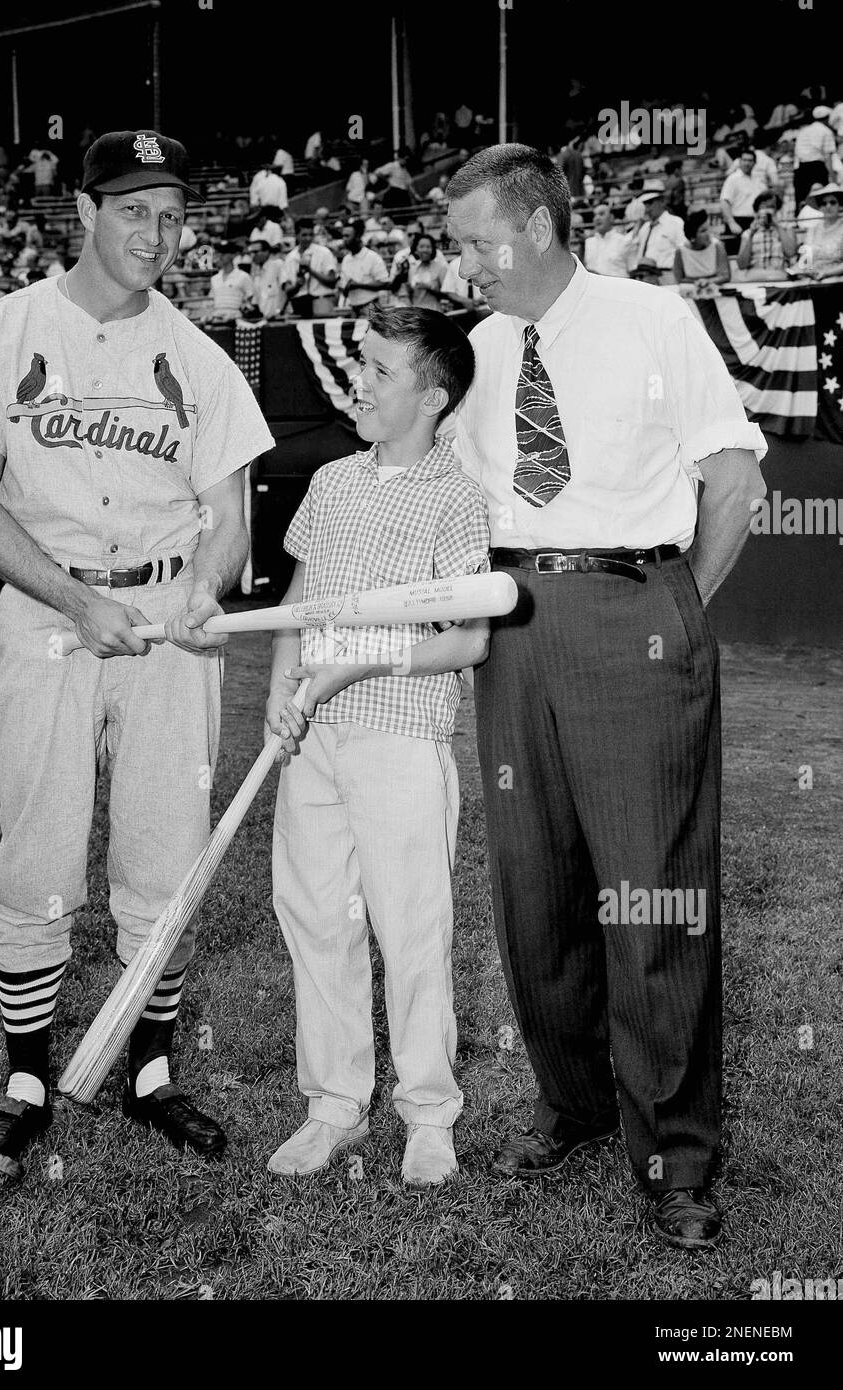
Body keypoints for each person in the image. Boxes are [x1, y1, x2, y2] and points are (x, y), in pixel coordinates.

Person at [0, 129, 274, 1165]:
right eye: (132, 210)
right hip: (48, 626)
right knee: (38, 847)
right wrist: (74, 599)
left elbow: (229, 517)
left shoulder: (200, 359)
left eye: (170, 215)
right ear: (82, 209)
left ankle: (153, 1069)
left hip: (168, 627)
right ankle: (26, 1075)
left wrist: (203, 591)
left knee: (167, 851)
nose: (157, 234)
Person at [446, 143, 766, 1251]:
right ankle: (575, 1105)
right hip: (508, 628)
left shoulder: (653, 322)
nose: (465, 267)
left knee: (652, 896)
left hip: (632, 610)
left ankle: (677, 1150)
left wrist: (676, 612)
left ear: (536, 226)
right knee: (534, 893)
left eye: (477, 242)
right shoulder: (477, 352)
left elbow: (735, 480)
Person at [265, 304, 491, 1185]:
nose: (358, 380)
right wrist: (285, 689)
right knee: (317, 919)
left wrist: (350, 670)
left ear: (432, 397)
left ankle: (428, 1115)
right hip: (313, 737)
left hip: (401, 738)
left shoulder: (456, 497)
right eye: (359, 362)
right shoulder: (331, 481)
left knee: (412, 925)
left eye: (379, 370)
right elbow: (300, 603)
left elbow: (469, 638)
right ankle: (333, 1106)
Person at [628, 183, 685, 283]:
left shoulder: (675, 223)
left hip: (666, 275)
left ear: (662, 201)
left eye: (650, 203)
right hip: (644, 277)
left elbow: (683, 251)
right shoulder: (645, 228)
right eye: (645, 204)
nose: (647, 208)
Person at [283, 219, 338, 318]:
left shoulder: (324, 252)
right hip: (299, 303)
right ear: (296, 235)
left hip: (321, 301)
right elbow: (288, 290)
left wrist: (310, 270)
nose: (308, 238)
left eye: (311, 235)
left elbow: (332, 282)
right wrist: (298, 285)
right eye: (304, 235)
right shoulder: (290, 257)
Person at [734, 192, 797, 280]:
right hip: (754, 277)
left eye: (771, 207)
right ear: (757, 211)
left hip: (779, 276)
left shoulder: (787, 228)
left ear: (776, 210)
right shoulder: (748, 233)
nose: (767, 210)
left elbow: (791, 253)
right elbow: (741, 265)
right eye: (763, 206)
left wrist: (777, 226)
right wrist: (752, 234)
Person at [338, 220, 389, 316]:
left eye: (347, 236)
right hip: (353, 309)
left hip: (370, 308)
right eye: (343, 236)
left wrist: (358, 285)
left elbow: (384, 283)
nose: (344, 239)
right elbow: (345, 291)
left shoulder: (372, 256)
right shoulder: (346, 259)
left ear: (357, 237)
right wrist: (345, 287)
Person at [673, 209, 731, 293]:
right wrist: (697, 282)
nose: (708, 233)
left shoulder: (718, 246)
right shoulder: (680, 250)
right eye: (703, 231)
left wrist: (708, 282)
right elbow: (679, 278)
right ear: (693, 238)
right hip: (690, 292)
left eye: (708, 229)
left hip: (714, 290)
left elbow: (725, 276)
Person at [792, 107, 837, 205]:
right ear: (827, 118)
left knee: (801, 200)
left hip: (800, 169)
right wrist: (833, 180)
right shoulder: (826, 131)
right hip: (817, 168)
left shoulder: (804, 130)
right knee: (821, 200)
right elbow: (828, 157)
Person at [720, 150, 769, 239]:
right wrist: (731, 223)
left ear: (754, 163)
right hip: (737, 222)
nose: (747, 163)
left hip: (755, 222)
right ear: (740, 161)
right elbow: (724, 202)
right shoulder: (732, 179)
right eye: (744, 160)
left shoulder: (758, 180)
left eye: (750, 161)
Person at [802, 183, 843, 280]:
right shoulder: (813, 229)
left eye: (832, 202)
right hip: (813, 278)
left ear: (840, 205)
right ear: (820, 207)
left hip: (838, 279)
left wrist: (826, 273)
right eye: (823, 203)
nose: (828, 206)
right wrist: (808, 270)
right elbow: (805, 259)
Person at [209, 240, 255, 319]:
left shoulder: (243, 276)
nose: (220, 256)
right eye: (218, 253)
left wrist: (240, 313)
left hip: (236, 319)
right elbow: (212, 301)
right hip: (217, 317)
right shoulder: (214, 278)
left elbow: (251, 300)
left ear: (232, 255)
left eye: (223, 253)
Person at [583, 203, 630, 278]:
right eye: (595, 215)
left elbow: (631, 270)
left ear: (611, 217)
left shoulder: (623, 241)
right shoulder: (588, 243)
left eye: (601, 214)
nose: (597, 218)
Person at [249, 239, 287, 319]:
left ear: (266, 252)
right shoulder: (256, 275)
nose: (253, 255)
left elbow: (287, 289)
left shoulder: (277, 265)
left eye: (256, 252)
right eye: (251, 252)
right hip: (263, 319)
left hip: (279, 318)